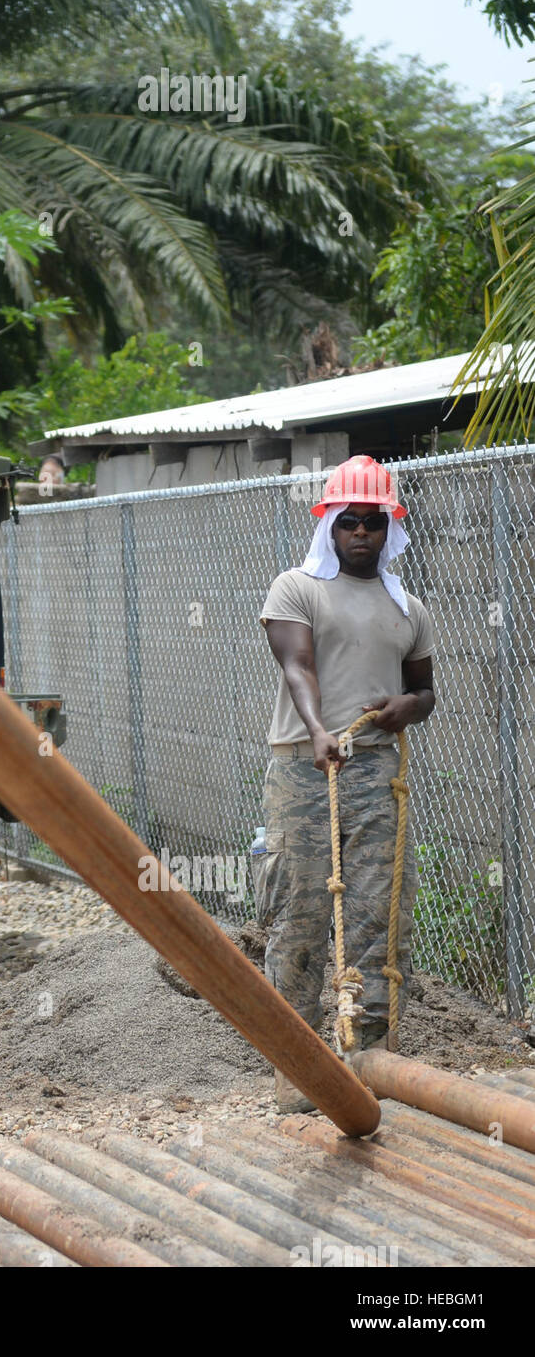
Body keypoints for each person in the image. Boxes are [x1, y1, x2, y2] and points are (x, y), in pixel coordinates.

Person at [257, 455, 436, 1113]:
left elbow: (424, 691)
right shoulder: (295, 588)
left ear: (390, 528)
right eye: (348, 522)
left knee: (376, 917)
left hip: (375, 770)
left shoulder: (407, 607)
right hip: (304, 767)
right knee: (298, 914)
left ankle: (370, 1063)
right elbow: (296, 666)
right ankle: (296, 1067)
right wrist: (316, 730)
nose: (360, 533)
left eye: (373, 522)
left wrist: (404, 708)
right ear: (329, 526)